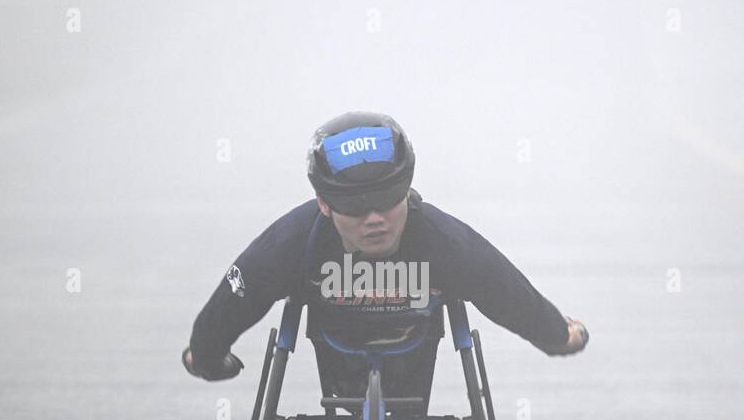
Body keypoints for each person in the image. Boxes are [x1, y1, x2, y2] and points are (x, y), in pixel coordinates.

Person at [183, 111, 588, 393]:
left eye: (389, 199)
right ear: (323, 204)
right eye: (356, 207)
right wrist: (207, 355)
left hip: (412, 351)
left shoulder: (442, 239)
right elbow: (236, 296)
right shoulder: (292, 241)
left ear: (408, 189)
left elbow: (504, 289)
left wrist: (555, 335)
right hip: (336, 352)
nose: (374, 219)